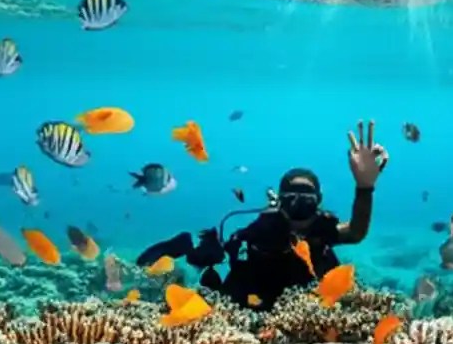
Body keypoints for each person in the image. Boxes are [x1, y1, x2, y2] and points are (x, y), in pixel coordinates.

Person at [136, 120, 389, 309]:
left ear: (319, 202)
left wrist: (365, 187)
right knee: (211, 280)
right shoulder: (267, 225)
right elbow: (234, 247)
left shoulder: (323, 227)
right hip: (254, 293)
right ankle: (184, 243)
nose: (299, 206)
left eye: (307, 200)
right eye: (291, 199)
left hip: (305, 303)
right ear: (279, 203)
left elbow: (356, 232)